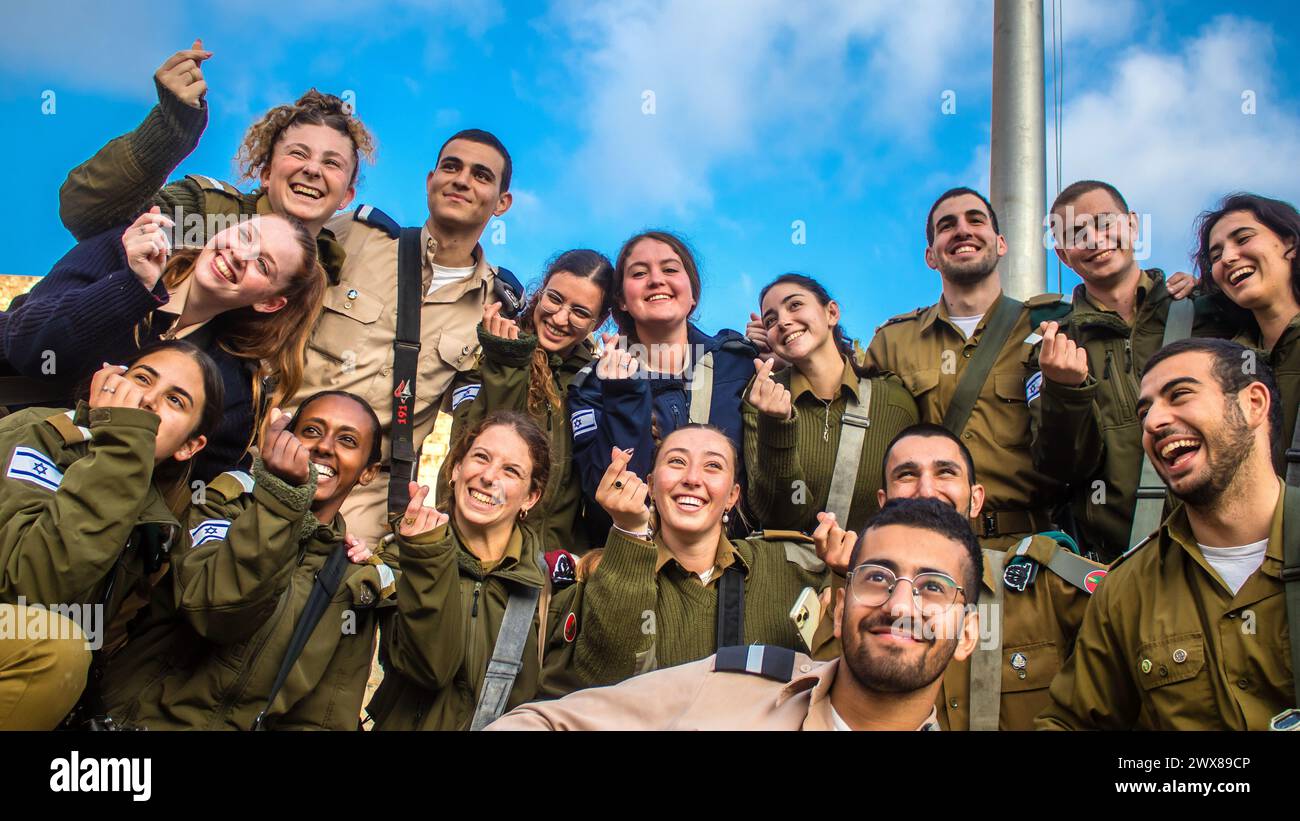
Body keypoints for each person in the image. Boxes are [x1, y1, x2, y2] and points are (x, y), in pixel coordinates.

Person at [487, 497, 980, 730]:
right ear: (840, 605)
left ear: (968, 634)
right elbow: (540, 723)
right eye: (877, 577)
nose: (898, 605)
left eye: (933, 587)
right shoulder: (729, 685)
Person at [1039, 338, 1295, 730]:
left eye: (1180, 395)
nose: (1154, 422)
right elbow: (1070, 723)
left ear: (1253, 403)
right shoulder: (1127, 589)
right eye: (1145, 412)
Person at [99, 391, 392, 730]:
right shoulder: (223, 505)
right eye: (311, 431)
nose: (324, 447)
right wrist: (283, 495)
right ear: (283, 439)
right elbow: (214, 613)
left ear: (368, 472)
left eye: (347, 440)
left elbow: (324, 715)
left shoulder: (353, 578)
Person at [297, 128, 518, 550]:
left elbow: (481, 418)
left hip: (365, 500)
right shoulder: (354, 238)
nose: (461, 180)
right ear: (430, 179)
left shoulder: (496, 306)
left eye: (481, 175)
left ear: (502, 203)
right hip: (280, 453)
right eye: (451, 167)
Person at [3, 210, 325, 483]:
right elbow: (27, 346)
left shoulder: (233, 386)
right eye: (245, 236)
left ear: (269, 303)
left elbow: (202, 492)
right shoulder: (126, 250)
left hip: (69, 509)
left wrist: (281, 486)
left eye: (263, 266)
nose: (241, 255)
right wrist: (133, 287)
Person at [0, 340, 222, 727]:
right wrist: (122, 441)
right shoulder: (36, 434)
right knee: (58, 650)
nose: (147, 400)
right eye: (141, 379)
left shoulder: (158, 528)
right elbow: (26, 585)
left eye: (175, 401)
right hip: (26, 643)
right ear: (108, 382)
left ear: (189, 446)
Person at [540, 423, 837, 696]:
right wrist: (628, 532)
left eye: (713, 466)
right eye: (677, 462)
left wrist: (842, 573)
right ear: (652, 485)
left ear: (733, 496)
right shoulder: (606, 573)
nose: (693, 479)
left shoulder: (787, 565)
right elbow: (608, 681)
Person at [58, 39, 373, 283]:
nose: (312, 169)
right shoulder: (203, 210)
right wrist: (172, 128)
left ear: (346, 195)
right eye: (298, 153)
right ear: (265, 173)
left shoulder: (331, 271)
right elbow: (85, 212)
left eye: (332, 163)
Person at [1030, 180, 1229, 562]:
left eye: (1105, 222)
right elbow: (1059, 468)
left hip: (1233, 546)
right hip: (1127, 559)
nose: (1094, 238)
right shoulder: (1053, 344)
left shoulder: (1205, 310)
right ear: (1061, 254)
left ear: (1133, 226)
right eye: (1076, 233)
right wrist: (1066, 392)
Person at [866, 188, 1068, 549]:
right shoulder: (892, 342)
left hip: (1023, 549)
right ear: (931, 255)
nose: (962, 230)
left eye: (976, 220)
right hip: (924, 542)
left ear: (1001, 243)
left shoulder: (1050, 326)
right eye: (947, 225)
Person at [865, 423, 1098, 730]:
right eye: (907, 474)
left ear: (976, 499)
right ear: (883, 502)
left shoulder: (1043, 588)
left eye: (945, 472)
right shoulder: (860, 603)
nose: (925, 490)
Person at [367, 410, 549, 730]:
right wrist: (427, 557)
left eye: (510, 470)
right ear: (455, 469)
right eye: (481, 457)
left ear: (531, 497)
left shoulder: (550, 586)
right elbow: (431, 668)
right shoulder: (403, 556)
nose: (489, 477)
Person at [568, 231, 757, 537]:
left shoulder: (740, 364)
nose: (656, 280)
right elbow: (605, 496)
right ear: (622, 301)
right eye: (639, 273)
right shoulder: (593, 383)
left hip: (729, 566)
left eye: (670, 269)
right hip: (635, 562)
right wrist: (624, 395)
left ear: (692, 294)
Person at [441, 250, 614, 554]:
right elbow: (466, 445)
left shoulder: (594, 381)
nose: (560, 319)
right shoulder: (493, 352)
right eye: (555, 299)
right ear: (540, 291)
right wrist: (506, 365)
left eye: (580, 312)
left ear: (598, 323)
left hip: (553, 564)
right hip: (474, 550)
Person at [743, 273, 918, 535]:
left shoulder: (894, 402)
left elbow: (912, 502)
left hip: (872, 569)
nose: (783, 321)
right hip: (788, 571)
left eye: (795, 305)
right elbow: (776, 514)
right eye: (771, 320)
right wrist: (777, 425)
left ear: (831, 313)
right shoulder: (762, 396)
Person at [1193, 193, 1300, 469]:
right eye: (1215, 255)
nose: (1228, 258)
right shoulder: (1224, 366)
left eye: (1243, 239)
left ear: (1290, 243)